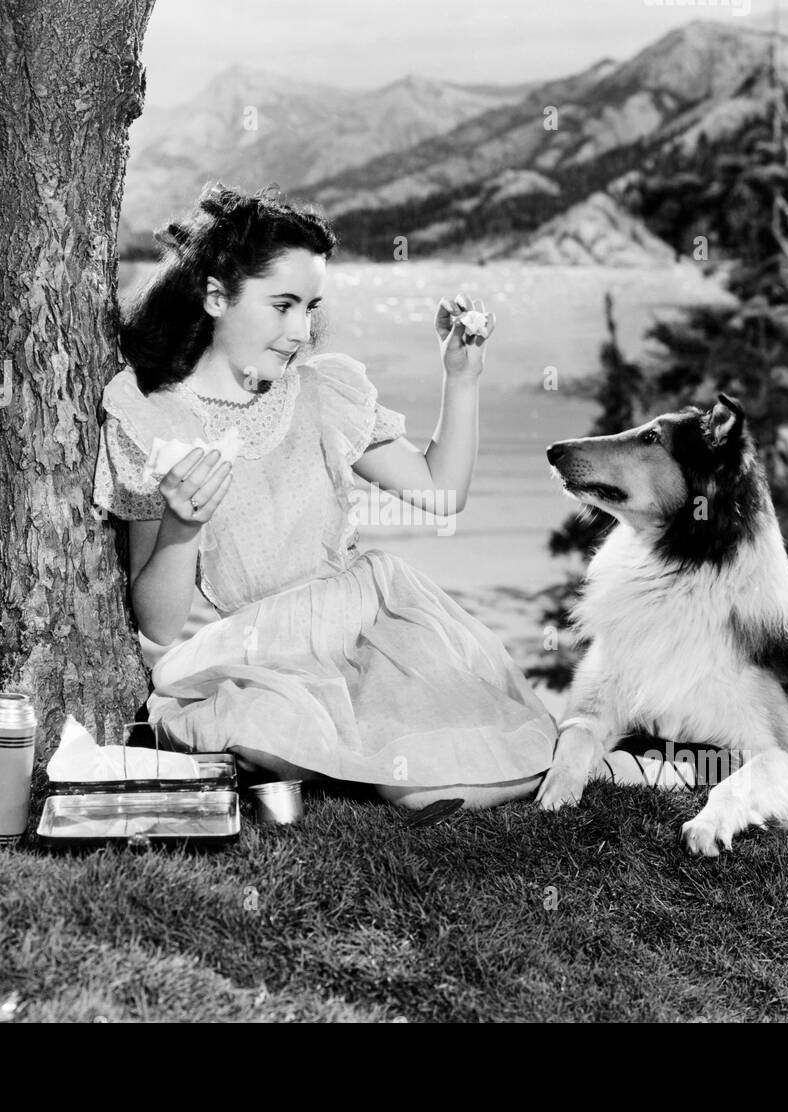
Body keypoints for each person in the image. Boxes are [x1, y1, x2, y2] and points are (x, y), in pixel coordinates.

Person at [93, 182, 559, 810]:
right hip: (259, 645)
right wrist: (182, 524)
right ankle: (333, 758)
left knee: (433, 782)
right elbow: (159, 621)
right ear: (215, 297)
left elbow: (442, 494)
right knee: (257, 730)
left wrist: (462, 377)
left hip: (365, 619)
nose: (301, 330)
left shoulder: (319, 393)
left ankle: (384, 762)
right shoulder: (152, 416)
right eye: (282, 305)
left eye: (310, 307)